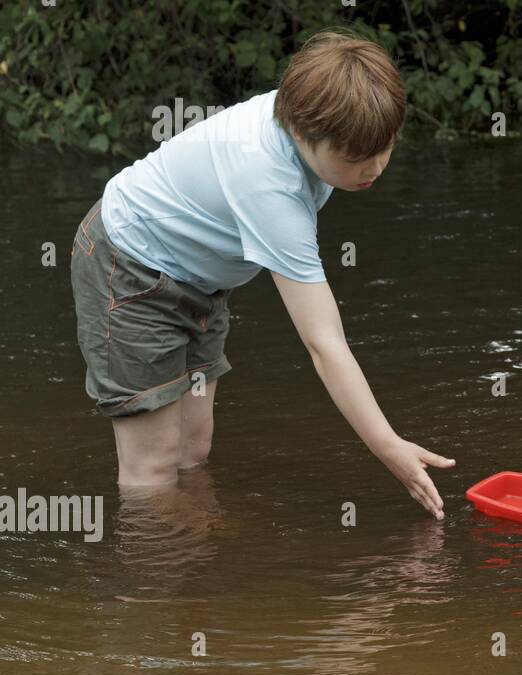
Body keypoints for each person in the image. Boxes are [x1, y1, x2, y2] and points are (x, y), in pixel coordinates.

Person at [70, 29, 455, 517]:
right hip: (128, 270)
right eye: (357, 158)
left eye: (387, 147)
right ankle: (150, 586)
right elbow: (323, 344)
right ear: (303, 133)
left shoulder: (315, 106)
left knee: (193, 451)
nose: (375, 168)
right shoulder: (267, 183)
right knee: (153, 468)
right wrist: (389, 447)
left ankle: (198, 568)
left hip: (199, 284)